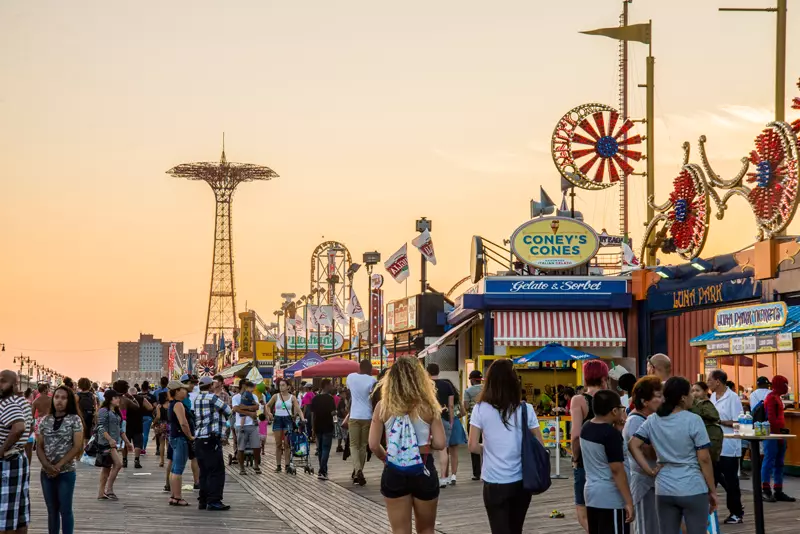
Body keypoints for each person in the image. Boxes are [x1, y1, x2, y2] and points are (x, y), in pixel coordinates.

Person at [629, 377, 717, 534]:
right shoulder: (694, 420)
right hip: (692, 486)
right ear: (683, 398)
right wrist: (712, 490)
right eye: (691, 393)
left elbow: (633, 444)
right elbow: (704, 458)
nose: (693, 396)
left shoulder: (653, 420)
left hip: (664, 488)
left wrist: (649, 471)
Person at [369, 357, 446, 534]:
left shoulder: (383, 406)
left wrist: (385, 458)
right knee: (426, 529)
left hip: (394, 469)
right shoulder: (428, 406)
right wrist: (427, 444)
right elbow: (441, 443)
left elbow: (373, 444)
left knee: (400, 531)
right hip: (423, 466)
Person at [468, 359, 544, 534]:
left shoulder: (480, 409)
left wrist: (488, 449)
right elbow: (539, 444)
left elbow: (472, 446)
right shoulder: (526, 409)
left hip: (493, 481)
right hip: (521, 480)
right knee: (516, 529)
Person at [580, 389, 633, 534]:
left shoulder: (586, 427)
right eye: (622, 408)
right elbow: (617, 470)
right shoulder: (610, 435)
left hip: (591, 494)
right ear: (614, 410)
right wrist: (628, 501)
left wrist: (618, 430)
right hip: (610, 497)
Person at [36, 385, 83, 534]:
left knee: (65, 509)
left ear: (68, 401)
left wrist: (58, 466)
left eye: (63, 398)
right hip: (46, 472)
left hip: (66, 472)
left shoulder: (75, 420)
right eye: (56, 397)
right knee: (52, 510)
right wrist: (46, 465)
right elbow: (39, 446)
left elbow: (76, 446)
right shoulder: (45, 420)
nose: (59, 401)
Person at [570, 359, 609, 533]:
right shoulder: (610, 399)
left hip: (586, 461)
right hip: (609, 460)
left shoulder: (579, 400)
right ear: (603, 377)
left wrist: (575, 458)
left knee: (583, 511)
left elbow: (576, 435)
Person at [621, 376, 663, 534]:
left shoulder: (649, 418)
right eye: (658, 396)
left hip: (653, 483)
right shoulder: (635, 421)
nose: (662, 400)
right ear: (645, 401)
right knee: (647, 527)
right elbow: (649, 453)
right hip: (644, 484)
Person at [707, 369, 744, 525]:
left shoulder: (733, 398)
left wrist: (719, 421)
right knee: (712, 479)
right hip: (714, 447)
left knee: (731, 482)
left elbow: (739, 421)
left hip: (729, 446)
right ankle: (708, 512)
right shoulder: (712, 398)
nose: (707, 383)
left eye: (709, 380)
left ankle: (736, 513)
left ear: (718, 381)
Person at [193, 376, 232, 511]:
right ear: (210, 387)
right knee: (216, 471)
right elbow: (228, 410)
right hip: (211, 439)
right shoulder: (212, 398)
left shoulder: (197, 399)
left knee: (204, 471)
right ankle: (214, 500)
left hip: (199, 439)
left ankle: (203, 500)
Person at [0, 371, 31, 534]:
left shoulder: (7, 403)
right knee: (19, 511)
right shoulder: (22, 402)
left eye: (3, 382)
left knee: (5, 513)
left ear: (13, 385)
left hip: (7, 461)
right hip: (18, 457)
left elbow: (19, 427)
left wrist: (1, 450)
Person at [761, 375, 795, 503]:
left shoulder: (777, 398)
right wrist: (778, 434)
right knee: (769, 461)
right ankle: (766, 490)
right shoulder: (771, 398)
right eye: (785, 384)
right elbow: (771, 418)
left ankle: (778, 490)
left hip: (778, 435)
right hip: (772, 435)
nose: (786, 387)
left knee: (778, 463)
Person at [346, 360, 377, 487]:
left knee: (353, 445)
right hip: (367, 416)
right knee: (363, 445)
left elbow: (350, 393)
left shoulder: (351, 377)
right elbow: (373, 397)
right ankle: (359, 472)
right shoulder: (372, 380)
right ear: (369, 369)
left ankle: (357, 470)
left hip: (354, 415)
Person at [426, 364, 455, 489]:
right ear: (439, 371)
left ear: (427, 372)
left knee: (428, 448)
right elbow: (451, 405)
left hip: (428, 419)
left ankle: (428, 474)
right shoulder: (447, 385)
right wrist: (451, 420)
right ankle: (443, 478)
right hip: (444, 418)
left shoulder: (425, 385)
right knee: (444, 449)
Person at [266, 379, 304, 472]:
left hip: (288, 420)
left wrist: (303, 418)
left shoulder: (292, 397)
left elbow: (298, 409)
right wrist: (269, 413)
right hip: (278, 419)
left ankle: (287, 465)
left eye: (283, 385)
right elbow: (267, 405)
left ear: (288, 387)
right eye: (280, 385)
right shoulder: (276, 396)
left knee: (287, 444)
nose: (281, 387)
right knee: (278, 444)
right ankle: (278, 465)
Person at [167, 380, 193, 506]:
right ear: (176, 391)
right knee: (178, 469)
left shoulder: (172, 404)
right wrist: (190, 436)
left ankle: (173, 495)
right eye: (183, 389)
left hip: (174, 437)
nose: (185, 391)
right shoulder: (178, 405)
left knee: (174, 468)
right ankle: (177, 497)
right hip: (180, 438)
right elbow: (183, 423)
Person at [95, 390, 123, 501]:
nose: (118, 399)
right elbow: (100, 427)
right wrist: (110, 439)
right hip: (106, 443)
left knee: (106, 469)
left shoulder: (115, 411)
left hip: (113, 443)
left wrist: (126, 442)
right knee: (118, 464)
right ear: (110, 399)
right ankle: (109, 490)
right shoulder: (103, 410)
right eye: (116, 398)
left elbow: (119, 428)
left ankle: (101, 493)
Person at [231, 380, 261, 475]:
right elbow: (236, 409)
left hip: (252, 425)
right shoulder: (236, 397)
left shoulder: (253, 396)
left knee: (256, 446)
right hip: (241, 425)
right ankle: (242, 468)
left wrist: (244, 408)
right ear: (242, 386)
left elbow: (257, 407)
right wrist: (250, 413)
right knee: (241, 447)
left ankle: (256, 464)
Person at [310, 378, 337, 480]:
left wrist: (313, 428)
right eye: (330, 384)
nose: (331, 386)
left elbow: (313, 415)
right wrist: (335, 422)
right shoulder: (330, 399)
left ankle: (323, 470)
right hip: (328, 426)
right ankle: (322, 471)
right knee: (326, 449)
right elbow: (334, 413)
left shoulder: (315, 399)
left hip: (318, 426)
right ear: (326, 385)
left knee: (320, 449)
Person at [690, 381, 723, 464]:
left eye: (697, 391)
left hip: (709, 441)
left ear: (705, 391)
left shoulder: (705, 404)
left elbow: (714, 417)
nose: (694, 393)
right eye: (692, 391)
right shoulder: (693, 404)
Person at [442, 378, 466, 486]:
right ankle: (454, 476)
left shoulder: (441, 398)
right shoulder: (456, 398)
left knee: (444, 451)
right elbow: (463, 412)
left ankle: (444, 475)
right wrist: (456, 416)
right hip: (455, 422)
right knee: (454, 452)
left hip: (444, 422)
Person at [124, 387, 152, 469]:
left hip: (127, 424)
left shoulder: (125, 399)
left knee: (125, 442)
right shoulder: (141, 398)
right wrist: (142, 409)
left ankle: (124, 460)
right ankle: (136, 460)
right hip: (138, 423)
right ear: (136, 392)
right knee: (138, 443)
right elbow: (150, 407)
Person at [463, 370, 483, 481]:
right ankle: (486, 470)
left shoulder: (468, 391)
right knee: (486, 445)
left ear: (472, 379)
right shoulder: (487, 389)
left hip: (473, 421)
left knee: (474, 446)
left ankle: (477, 473)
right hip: (486, 422)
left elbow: (465, 407)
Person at [76, 378, 97, 448]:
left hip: (80, 416)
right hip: (90, 416)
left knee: (80, 434)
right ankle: (87, 449)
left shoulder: (77, 395)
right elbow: (95, 407)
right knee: (88, 436)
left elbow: (73, 406)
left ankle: (80, 450)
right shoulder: (92, 395)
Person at [139, 381, 156, 455]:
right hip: (148, 416)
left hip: (139, 417)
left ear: (141, 388)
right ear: (148, 388)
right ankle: (143, 449)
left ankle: (138, 448)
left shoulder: (138, 396)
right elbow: (155, 406)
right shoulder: (152, 397)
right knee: (146, 434)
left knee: (139, 433)